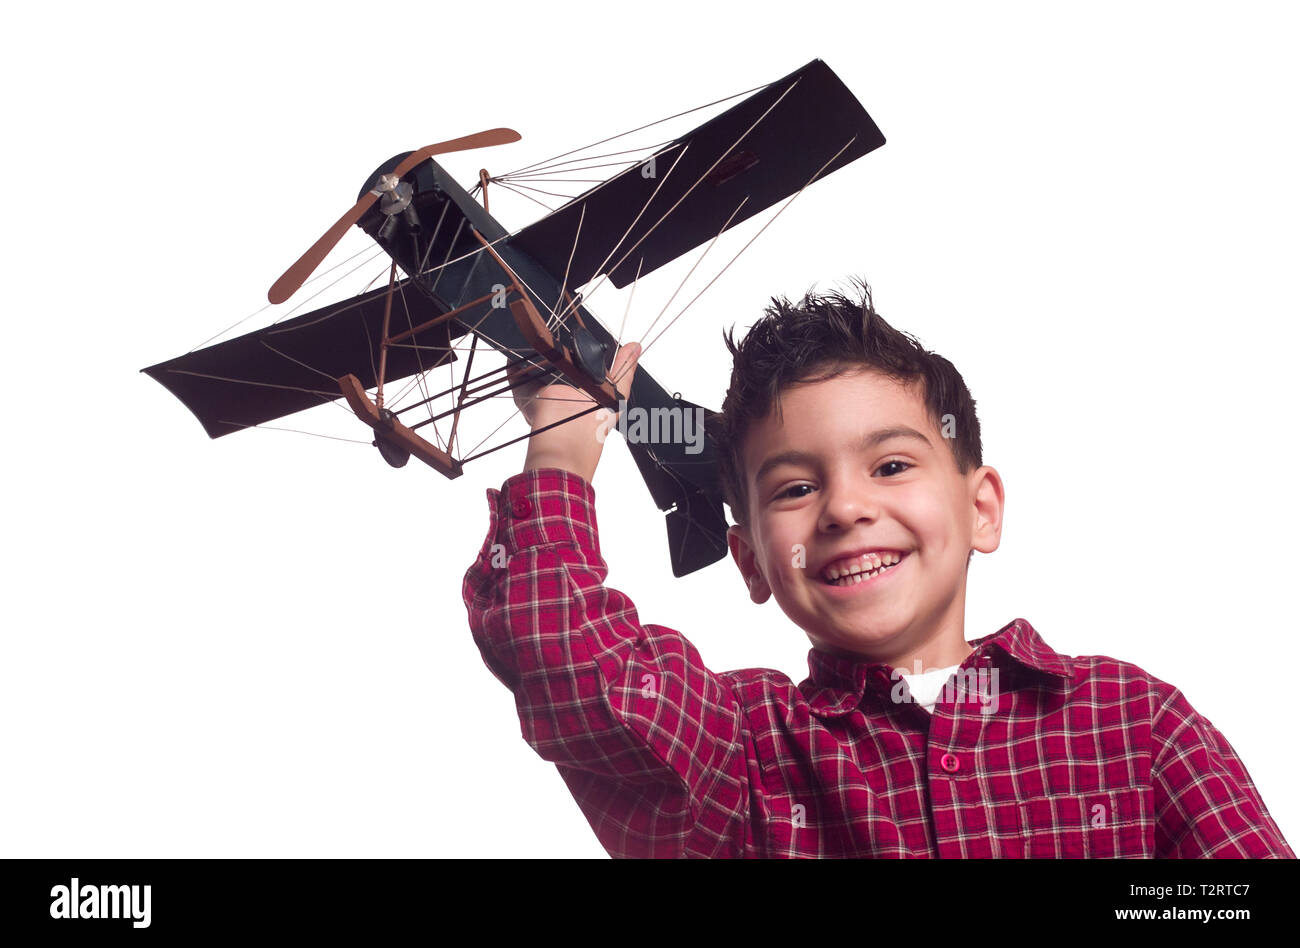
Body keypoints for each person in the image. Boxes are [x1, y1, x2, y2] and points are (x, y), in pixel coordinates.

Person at [461, 278, 1293, 858]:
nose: (845, 507)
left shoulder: (1131, 722)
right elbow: (565, 659)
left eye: (891, 466)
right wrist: (562, 452)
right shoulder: (744, 754)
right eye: (795, 486)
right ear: (750, 562)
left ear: (981, 508)